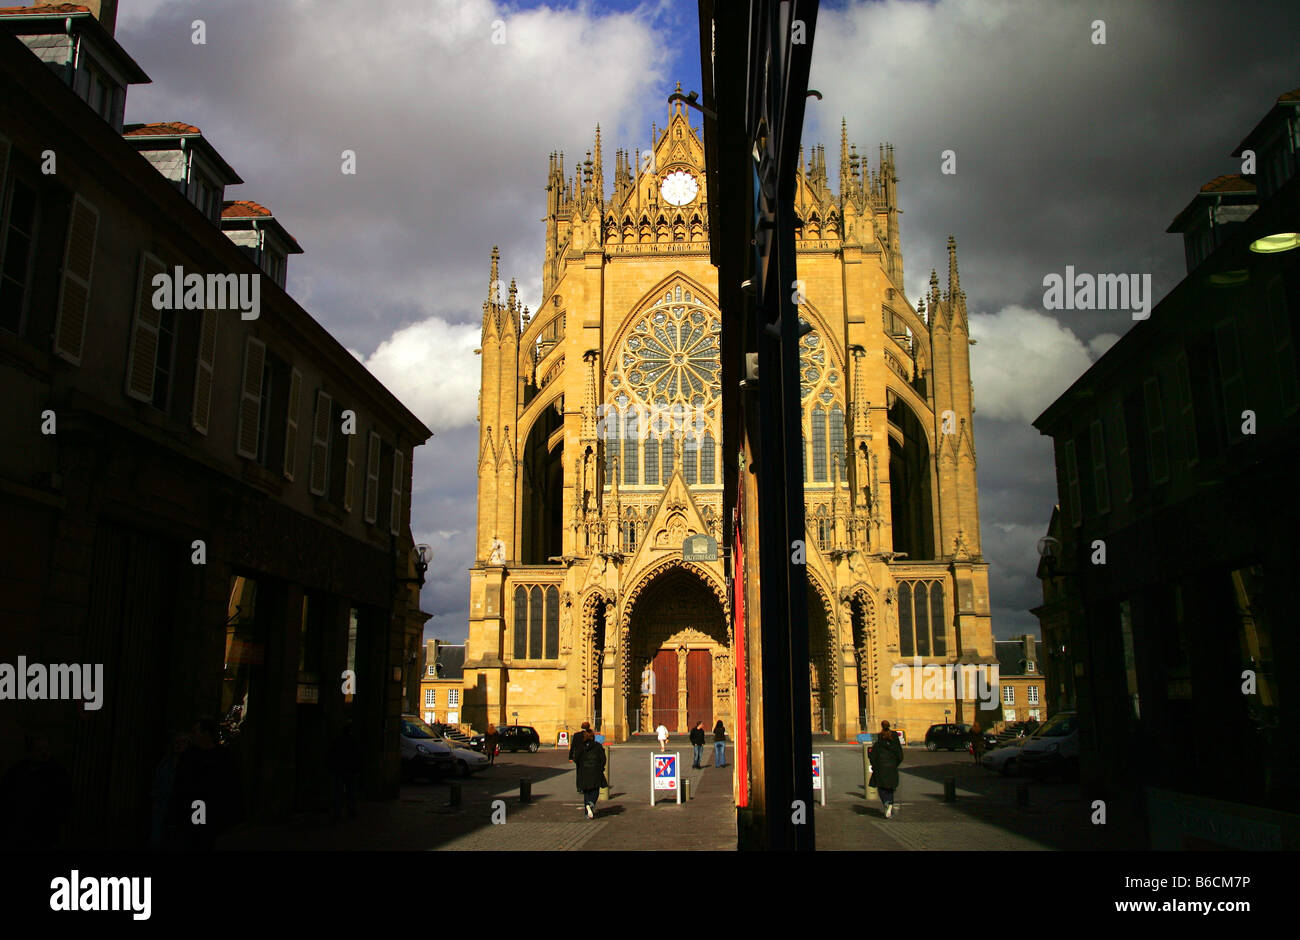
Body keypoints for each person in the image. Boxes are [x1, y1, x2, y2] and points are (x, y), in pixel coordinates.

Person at [171, 718, 240, 850]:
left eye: (197, 732)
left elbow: (230, 784)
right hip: (194, 805)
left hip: (210, 807)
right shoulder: (190, 755)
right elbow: (180, 783)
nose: (194, 735)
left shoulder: (222, 757)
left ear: (206, 734)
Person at [0, 734, 72, 850]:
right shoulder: (16, 772)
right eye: (39, 749)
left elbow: (63, 803)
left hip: (42, 832)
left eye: (46, 749)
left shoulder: (57, 775)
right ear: (30, 751)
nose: (44, 753)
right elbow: (6, 796)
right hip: (17, 830)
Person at [150, 730, 190, 849]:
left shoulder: (190, 765)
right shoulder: (165, 763)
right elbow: (157, 785)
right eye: (176, 742)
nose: (178, 745)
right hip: (162, 808)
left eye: (182, 742)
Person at [868, 720, 903, 818]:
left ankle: (886, 802)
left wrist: (875, 766)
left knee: (881, 788)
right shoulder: (895, 743)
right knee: (890, 788)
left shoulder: (878, 744)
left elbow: (872, 757)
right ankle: (890, 804)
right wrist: (894, 764)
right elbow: (900, 756)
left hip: (880, 768)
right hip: (891, 768)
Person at [327, 721, 362, 820]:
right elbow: (357, 756)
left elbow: (331, 755)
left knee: (338, 792)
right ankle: (351, 810)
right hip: (350, 770)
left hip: (339, 769)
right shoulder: (353, 741)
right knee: (351, 791)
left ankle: (337, 812)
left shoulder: (337, 741)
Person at [574, 729, 606, 819]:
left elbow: (576, 759)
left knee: (586, 792)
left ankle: (587, 813)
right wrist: (601, 767)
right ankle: (591, 804)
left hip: (584, 772)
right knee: (595, 790)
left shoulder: (580, 747)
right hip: (595, 771)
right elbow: (603, 759)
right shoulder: (598, 746)